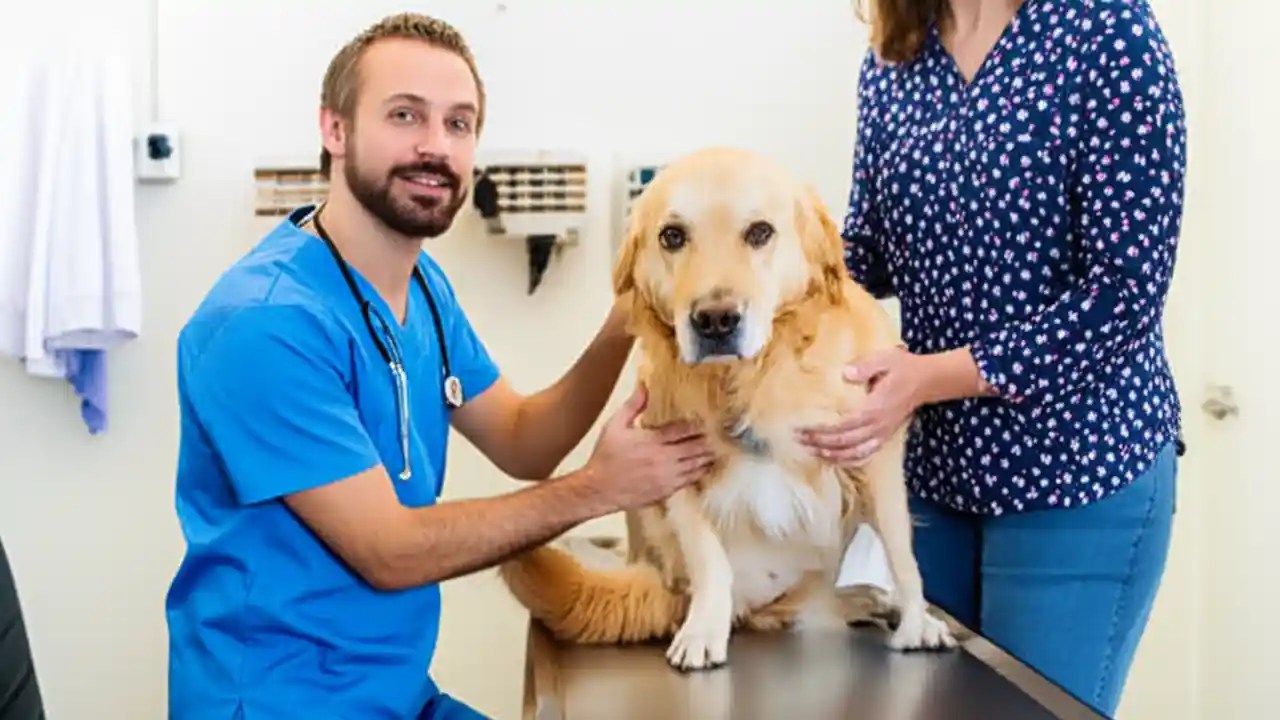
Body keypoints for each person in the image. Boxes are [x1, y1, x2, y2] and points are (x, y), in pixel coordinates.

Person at [163, 13, 715, 720]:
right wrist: (601, 489)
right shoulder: (264, 326)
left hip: (395, 697)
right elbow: (389, 551)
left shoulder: (421, 288)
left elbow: (523, 439)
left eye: (460, 124)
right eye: (405, 116)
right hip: (281, 703)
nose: (436, 146)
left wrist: (625, 321)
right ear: (335, 130)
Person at [798, 0, 1186, 716]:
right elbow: (869, 254)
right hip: (937, 483)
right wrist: (762, 262)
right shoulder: (895, 54)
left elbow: (1125, 292)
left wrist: (931, 376)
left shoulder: (1107, 31)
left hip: (1078, 479)